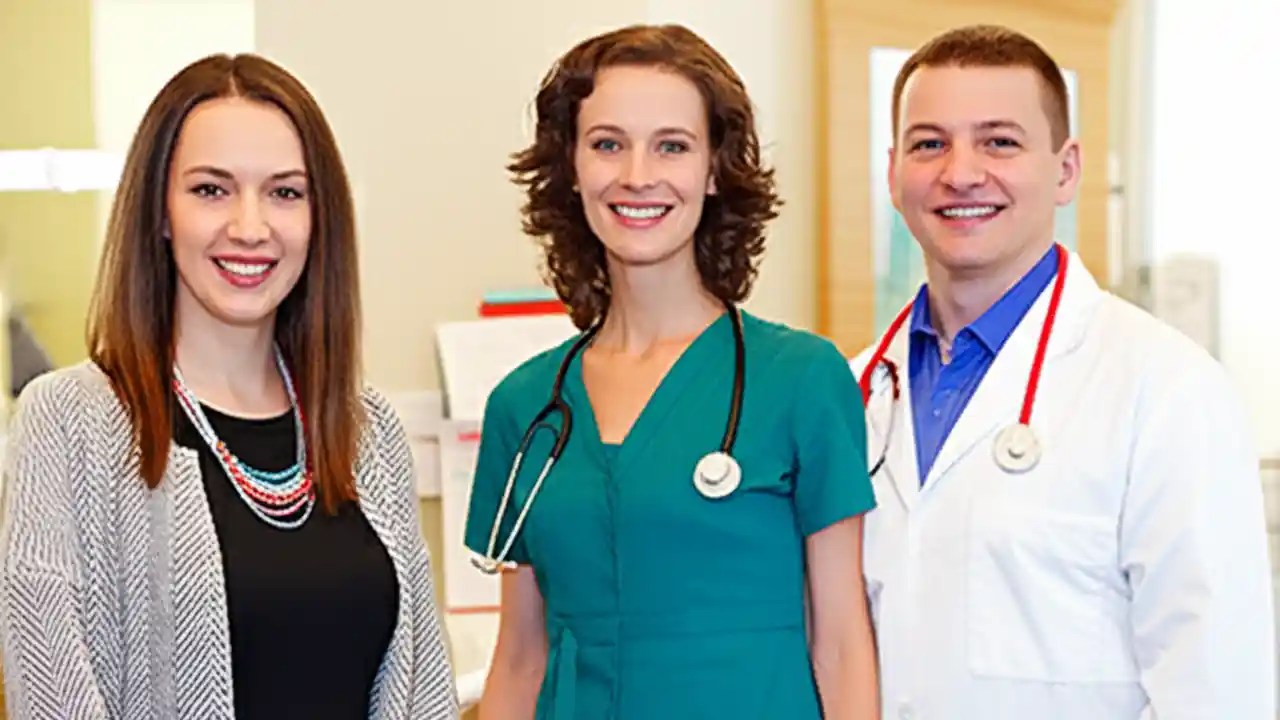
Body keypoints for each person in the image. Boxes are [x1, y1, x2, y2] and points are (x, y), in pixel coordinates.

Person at [0, 54, 458, 720]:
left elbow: (422, 692)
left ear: (318, 217)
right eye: (211, 189)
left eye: (285, 192)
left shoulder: (369, 428)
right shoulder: (69, 421)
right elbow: (51, 698)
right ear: (159, 213)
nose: (250, 226)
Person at [850, 24, 1276, 719]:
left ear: (1067, 169)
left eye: (1000, 141)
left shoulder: (1165, 389)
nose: (960, 172)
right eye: (930, 144)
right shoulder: (855, 389)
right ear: (895, 172)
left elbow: (1217, 690)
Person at [463, 23, 879, 720]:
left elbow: (840, 642)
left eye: (672, 146)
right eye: (607, 144)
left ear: (714, 169)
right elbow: (519, 658)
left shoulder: (802, 381)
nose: (637, 176)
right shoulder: (527, 406)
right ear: (571, 166)